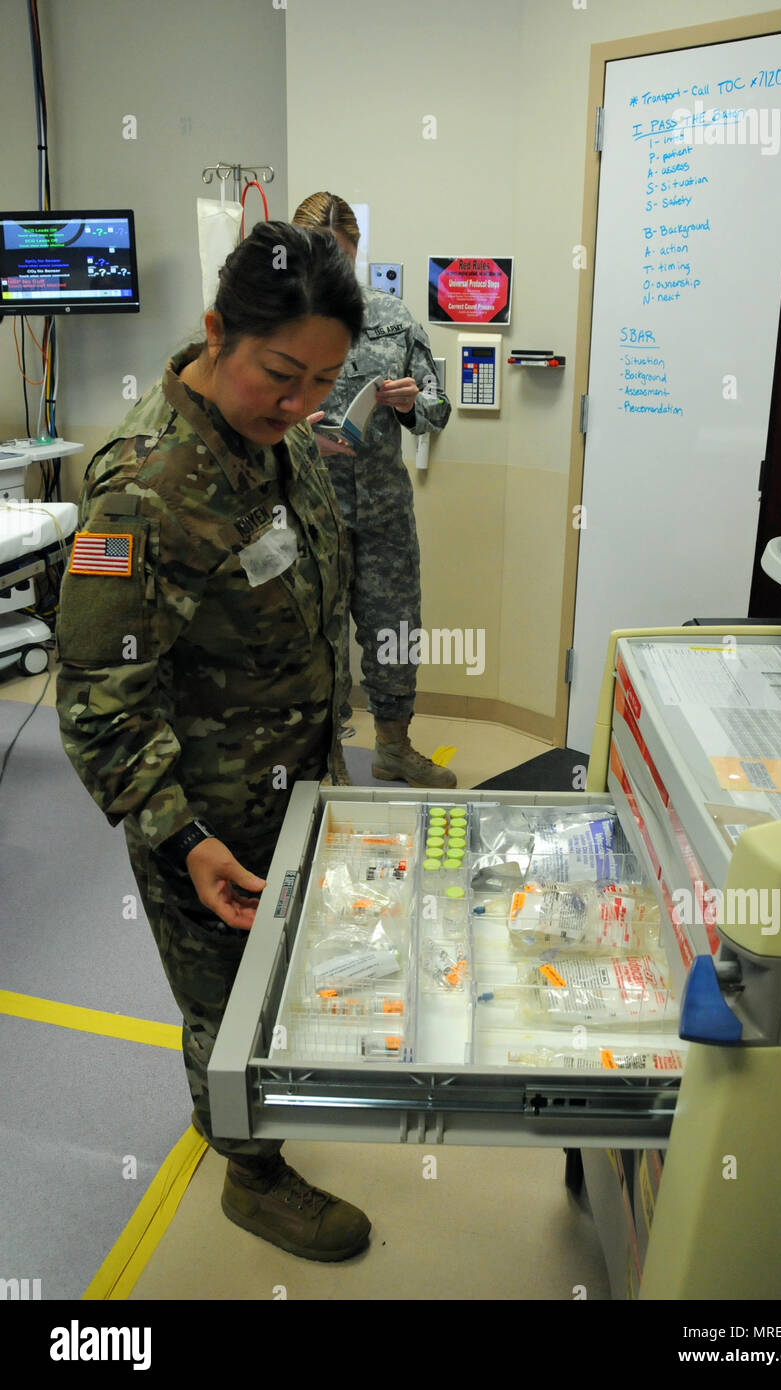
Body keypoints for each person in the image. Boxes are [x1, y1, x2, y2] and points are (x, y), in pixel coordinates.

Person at [54, 222, 372, 1263]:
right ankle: (251, 1171)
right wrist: (180, 835)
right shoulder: (144, 489)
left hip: (297, 784)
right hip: (211, 818)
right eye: (281, 374)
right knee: (229, 1001)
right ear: (215, 332)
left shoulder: (274, 445)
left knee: (286, 978)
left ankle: (279, 1112)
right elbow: (100, 701)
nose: (300, 402)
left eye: (322, 381)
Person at [292, 192, 456, 788]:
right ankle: (326, 760)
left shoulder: (391, 316)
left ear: (357, 253)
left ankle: (393, 747)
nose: (333, 272)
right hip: (311, 515)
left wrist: (417, 403)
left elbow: (439, 409)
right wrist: (294, 438)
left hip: (385, 512)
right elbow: (245, 427)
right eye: (320, 258)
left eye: (343, 258)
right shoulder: (277, 323)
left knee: (394, 632)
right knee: (317, 639)